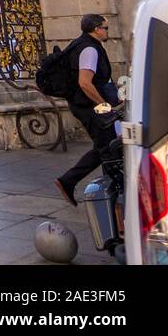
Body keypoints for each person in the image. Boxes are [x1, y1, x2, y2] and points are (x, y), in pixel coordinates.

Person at [54, 14, 122, 206]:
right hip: (89, 107)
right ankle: (113, 195)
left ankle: (68, 180)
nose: (107, 31)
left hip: (84, 106)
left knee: (105, 146)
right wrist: (104, 105)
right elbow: (85, 83)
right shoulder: (89, 49)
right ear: (96, 29)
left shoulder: (84, 44)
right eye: (105, 28)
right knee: (109, 149)